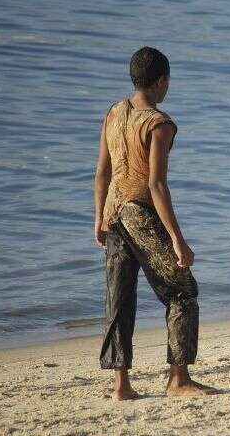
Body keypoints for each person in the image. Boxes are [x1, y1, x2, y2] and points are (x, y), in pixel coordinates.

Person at [93, 46, 218, 399]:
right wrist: (178, 238)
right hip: (140, 214)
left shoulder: (114, 113)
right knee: (182, 292)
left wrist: (98, 218)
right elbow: (155, 184)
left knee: (119, 298)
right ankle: (178, 380)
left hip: (113, 215)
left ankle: (122, 386)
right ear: (161, 81)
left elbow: (101, 172)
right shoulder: (159, 124)